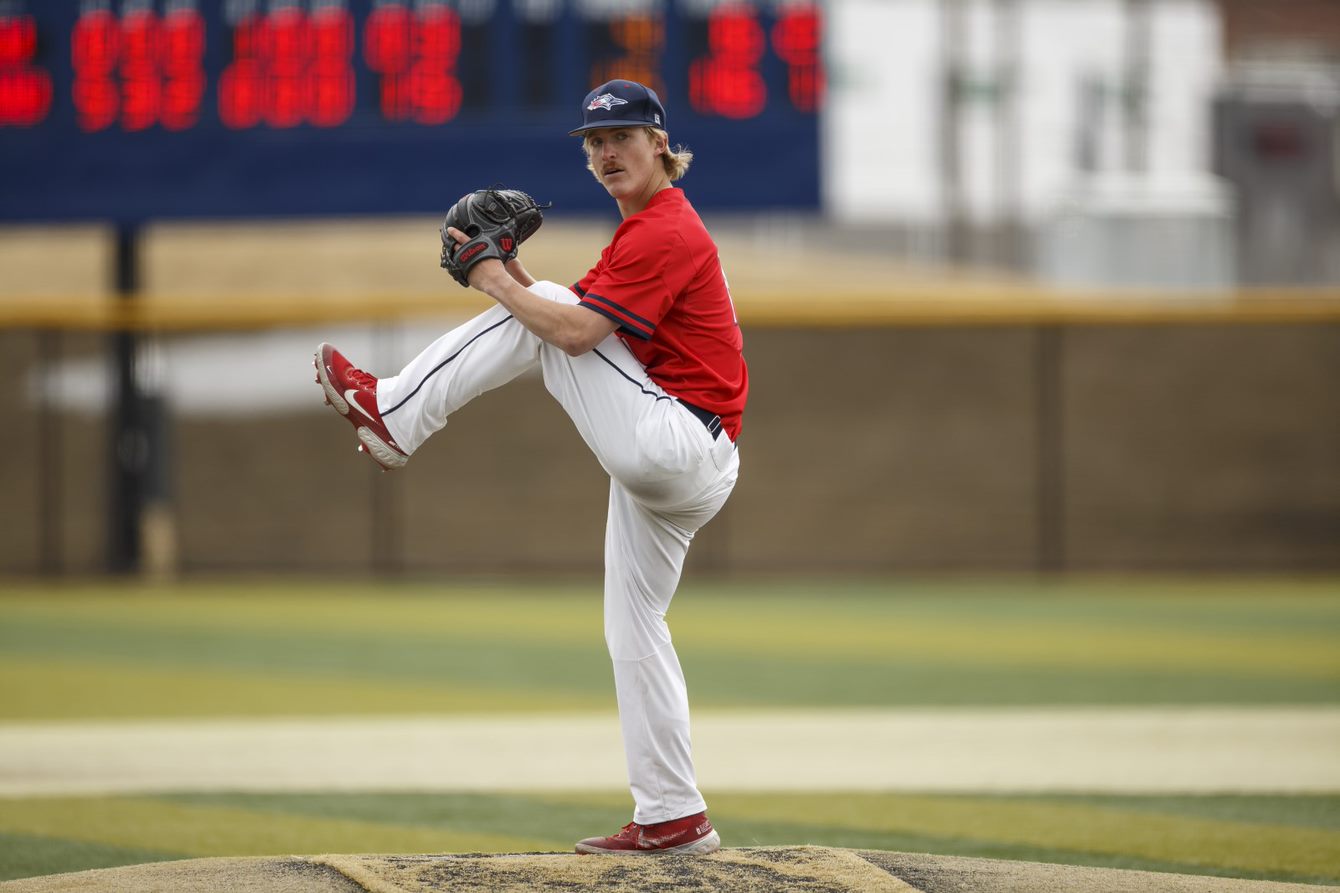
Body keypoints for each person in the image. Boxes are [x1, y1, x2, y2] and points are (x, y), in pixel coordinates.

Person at [314, 79, 746, 855]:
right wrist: (508, 284)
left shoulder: (664, 229)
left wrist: (495, 276)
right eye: (594, 142)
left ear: (660, 144)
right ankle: (674, 814)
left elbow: (573, 333)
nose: (608, 151)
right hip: (686, 456)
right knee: (635, 628)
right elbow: (557, 328)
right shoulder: (642, 233)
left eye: (623, 136)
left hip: (674, 439)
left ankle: (395, 412)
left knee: (541, 303)